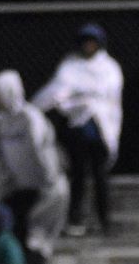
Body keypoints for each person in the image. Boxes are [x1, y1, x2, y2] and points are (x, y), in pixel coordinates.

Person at [0, 69, 70, 264]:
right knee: (13, 239)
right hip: (20, 189)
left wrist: (49, 183)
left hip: (46, 190)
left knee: (37, 241)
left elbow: (42, 152)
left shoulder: (31, 118)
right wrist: (4, 184)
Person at [33, 23, 123, 236]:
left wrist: (83, 96)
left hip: (101, 130)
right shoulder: (70, 66)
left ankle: (104, 222)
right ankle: (74, 221)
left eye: (92, 42)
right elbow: (55, 92)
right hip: (77, 130)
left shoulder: (109, 67)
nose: (89, 46)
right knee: (78, 175)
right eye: (86, 42)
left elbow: (107, 94)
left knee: (100, 176)